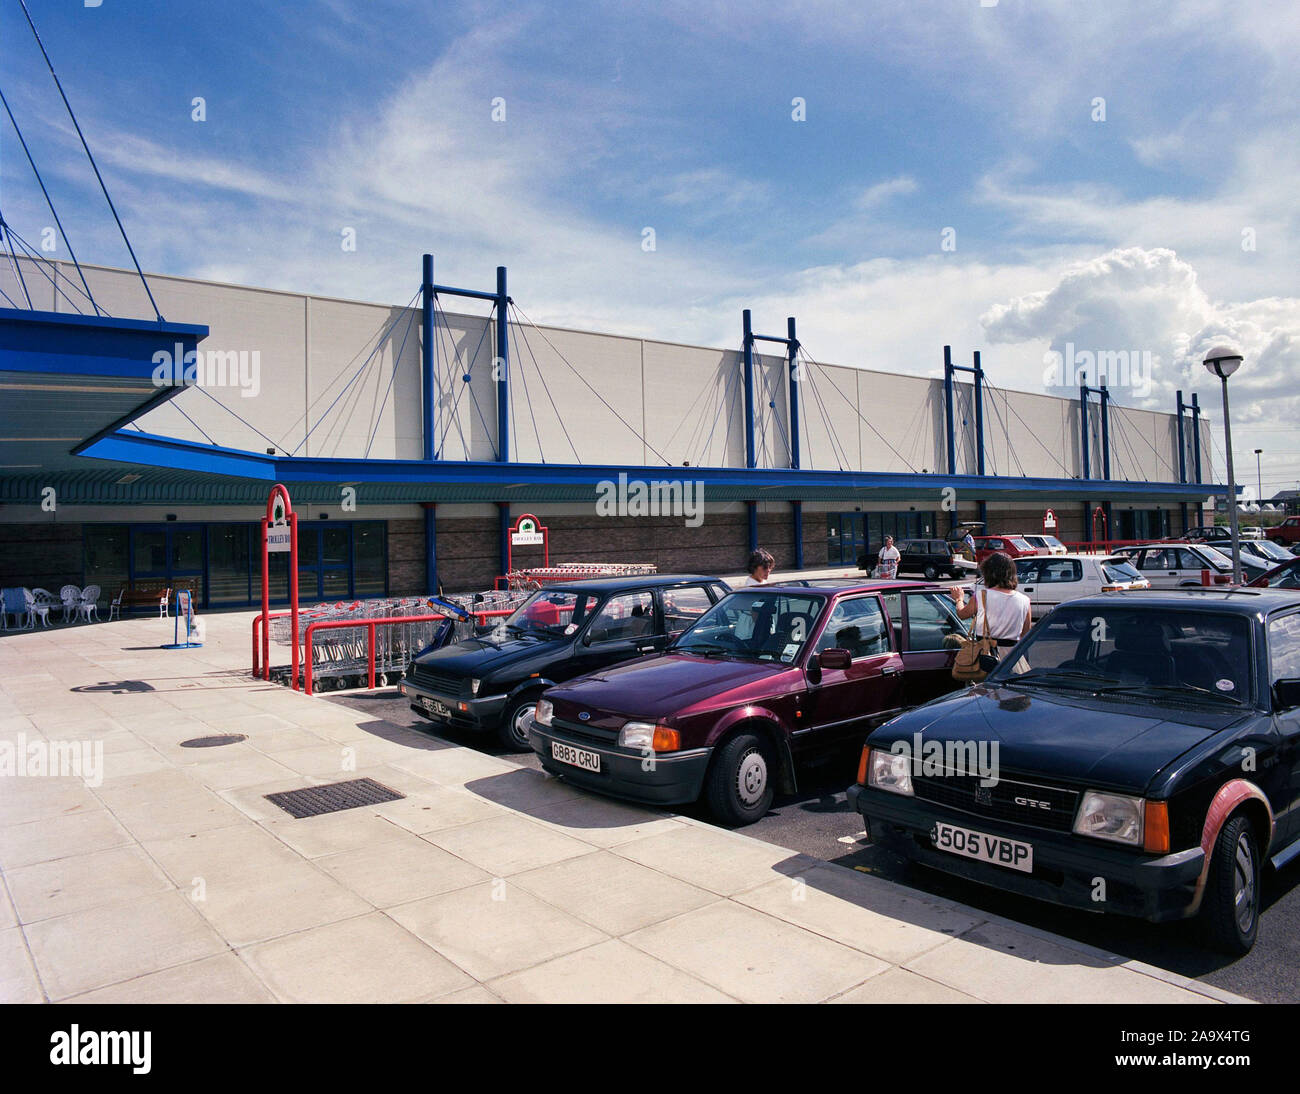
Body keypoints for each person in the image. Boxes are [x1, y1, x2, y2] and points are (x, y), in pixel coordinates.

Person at [948, 552, 1032, 647]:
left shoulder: (981, 596)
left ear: (988, 573)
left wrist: (959, 599)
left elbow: (962, 614)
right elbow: (1025, 633)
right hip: (1012, 654)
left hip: (987, 653)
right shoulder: (1025, 600)